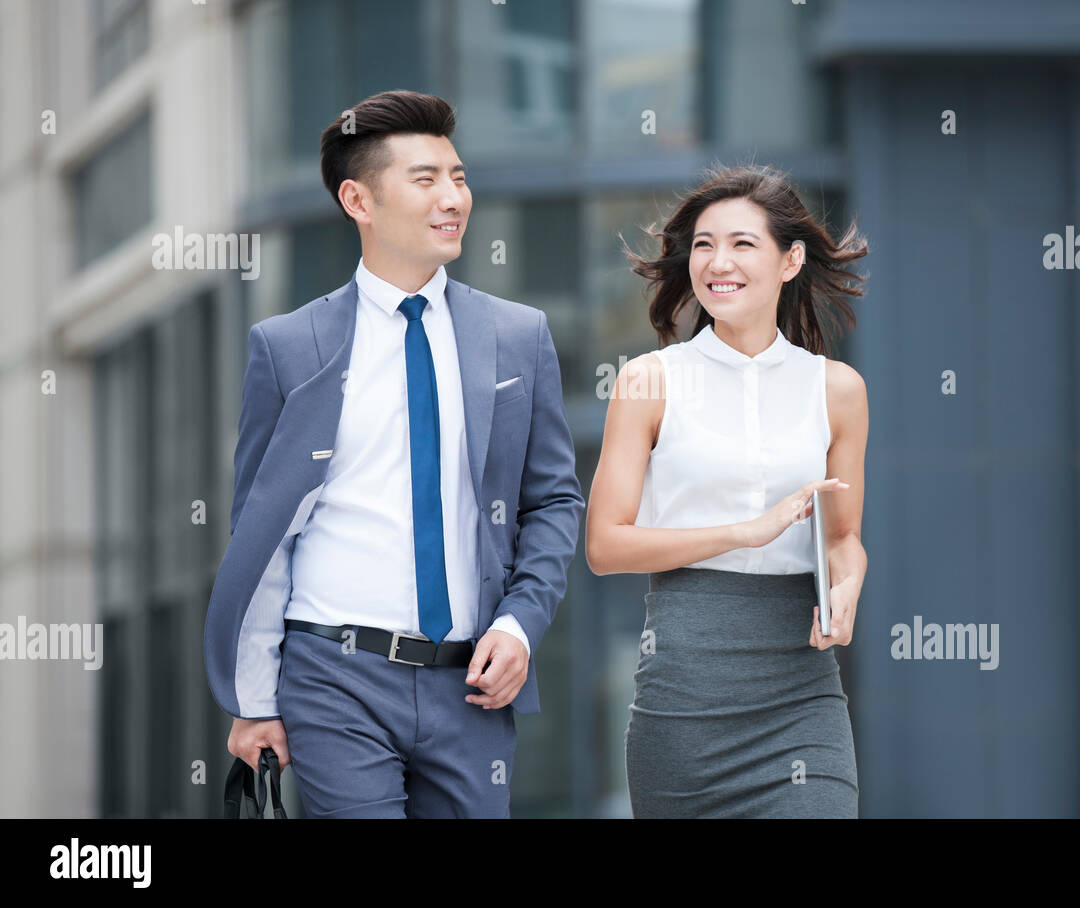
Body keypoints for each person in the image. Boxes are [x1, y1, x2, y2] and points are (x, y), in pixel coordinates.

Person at [203, 90, 583, 817]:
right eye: (425, 179)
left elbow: (555, 501)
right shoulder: (289, 348)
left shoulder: (517, 336)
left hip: (470, 678)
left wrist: (518, 625)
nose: (453, 198)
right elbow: (258, 536)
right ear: (359, 200)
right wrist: (253, 699)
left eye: (459, 176)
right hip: (333, 677)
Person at [586, 163, 870, 817]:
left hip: (801, 695)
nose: (719, 261)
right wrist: (745, 531)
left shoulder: (839, 390)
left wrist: (848, 583)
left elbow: (844, 537)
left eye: (742, 243)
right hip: (683, 706)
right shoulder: (648, 382)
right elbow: (605, 545)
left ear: (791, 259)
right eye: (705, 244)